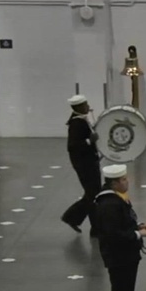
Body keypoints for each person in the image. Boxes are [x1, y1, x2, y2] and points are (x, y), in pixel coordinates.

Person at [93, 164, 146, 291]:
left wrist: (136, 227)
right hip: (120, 259)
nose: (127, 182)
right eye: (124, 179)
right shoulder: (110, 204)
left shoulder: (116, 199)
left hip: (126, 257)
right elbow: (114, 234)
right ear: (115, 183)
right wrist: (137, 235)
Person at [60, 95, 102, 235]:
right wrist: (90, 141)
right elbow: (73, 146)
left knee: (93, 194)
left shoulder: (82, 120)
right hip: (84, 164)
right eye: (85, 104)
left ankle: (78, 220)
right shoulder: (76, 124)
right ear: (78, 107)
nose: (88, 106)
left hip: (89, 161)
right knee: (93, 194)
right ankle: (76, 219)